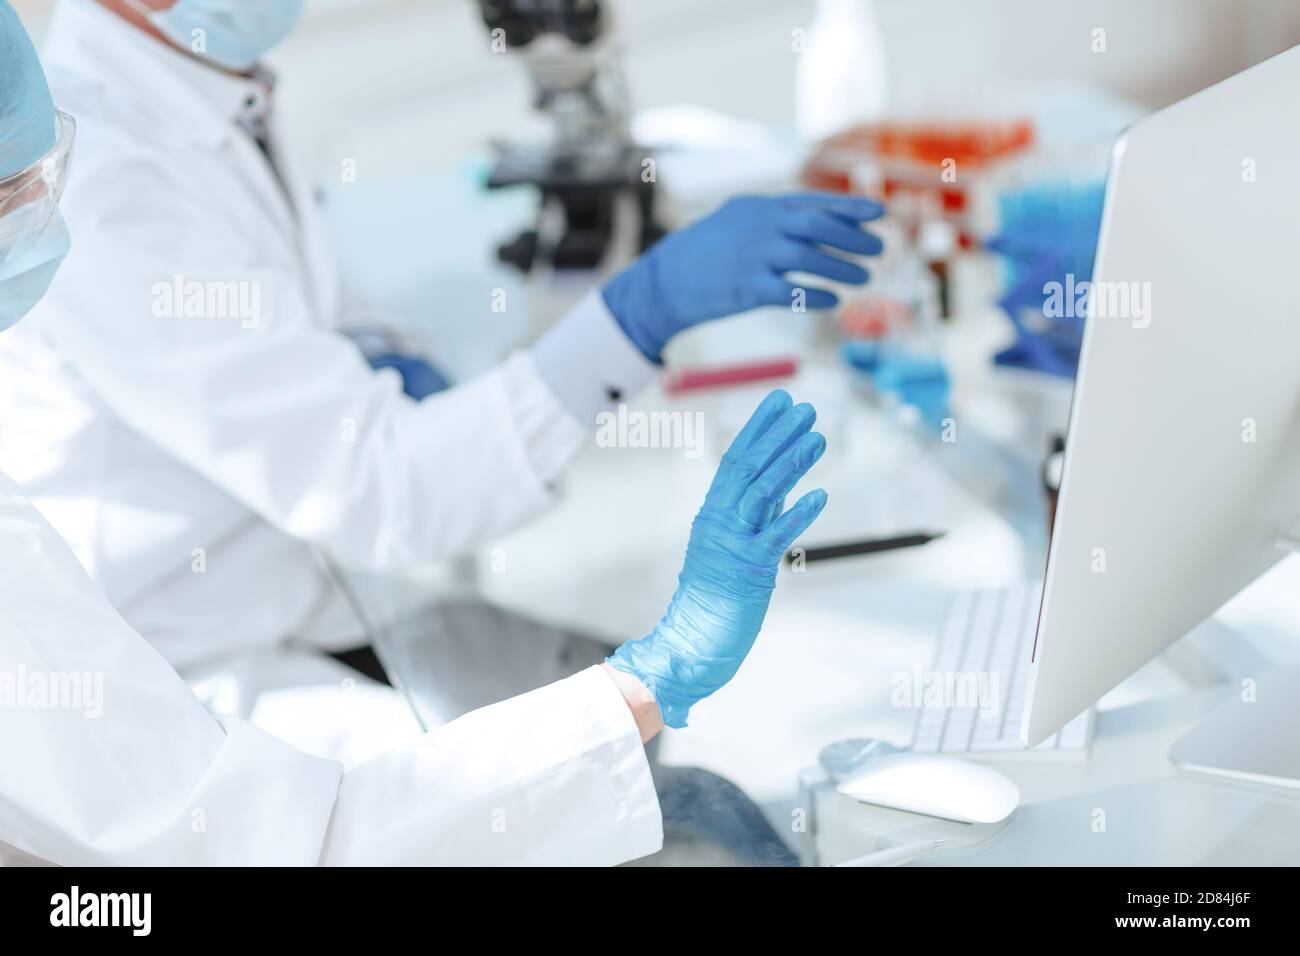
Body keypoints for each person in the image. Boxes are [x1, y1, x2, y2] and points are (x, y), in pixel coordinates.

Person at [0, 0, 830, 865]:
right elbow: (302, 842)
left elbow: (326, 323)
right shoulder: (118, 176)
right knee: (687, 807)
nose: (39, 209)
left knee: (630, 753)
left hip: (286, 601)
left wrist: (403, 362)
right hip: (189, 675)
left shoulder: (200, 87)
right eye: (15, 197)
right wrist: (645, 683)